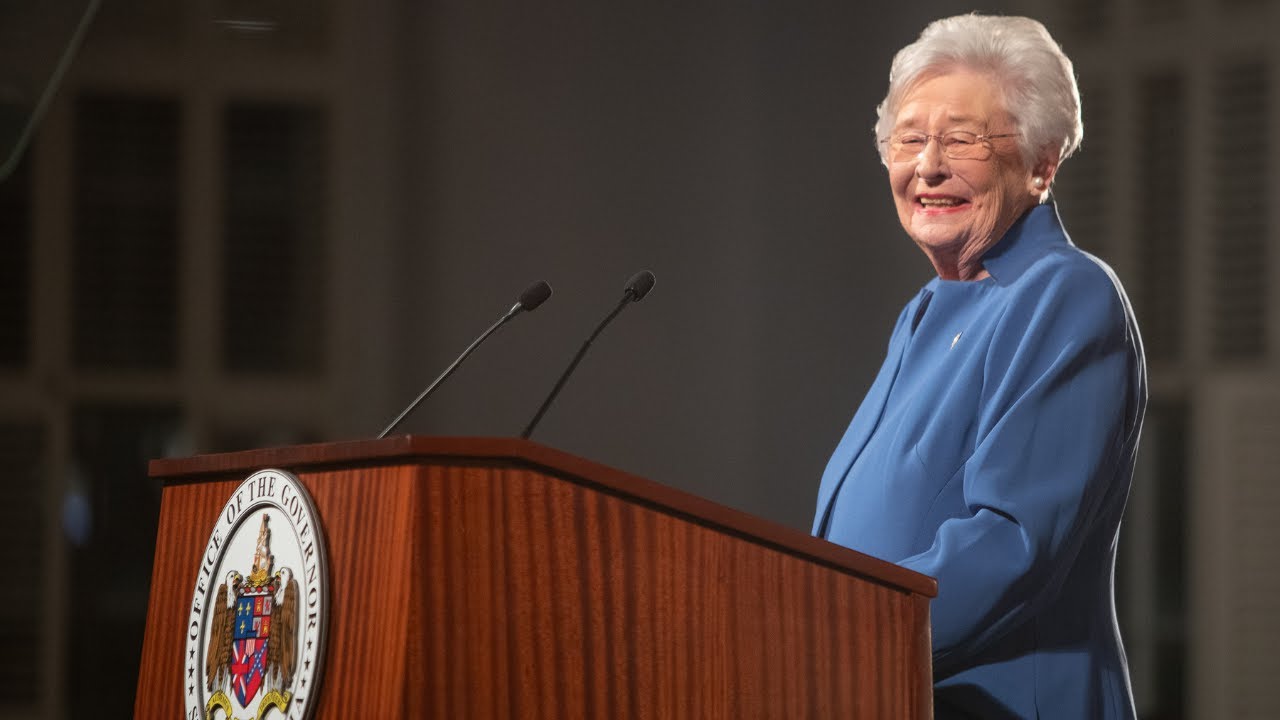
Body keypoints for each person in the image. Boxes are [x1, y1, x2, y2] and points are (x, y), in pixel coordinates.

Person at [811, 14, 1146, 719]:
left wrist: (825, 633)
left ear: (1042, 162)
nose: (927, 166)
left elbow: (1012, 543)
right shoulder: (926, 311)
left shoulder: (1066, 293)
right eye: (909, 139)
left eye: (961, 139)